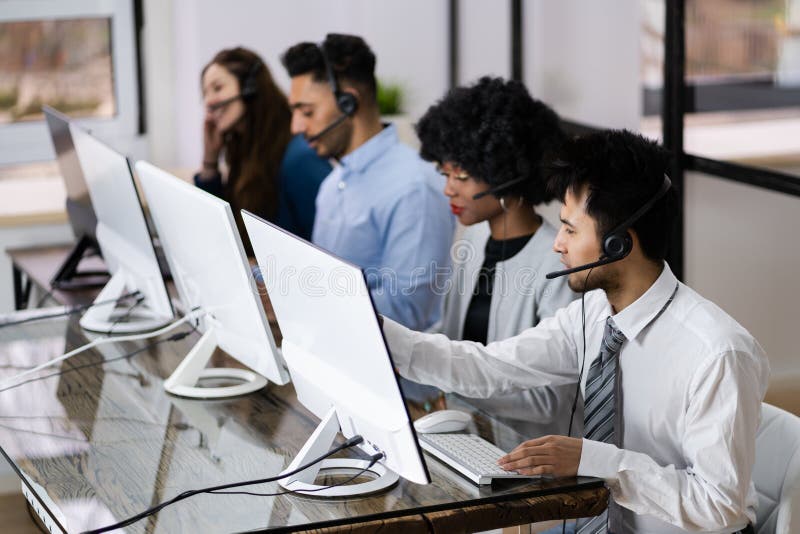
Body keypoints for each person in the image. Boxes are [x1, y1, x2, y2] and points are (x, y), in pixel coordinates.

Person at [381, 130, 769, 533]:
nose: (557, 244)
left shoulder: (717, 352)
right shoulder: (591, 315)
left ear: (619, 244)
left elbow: (721, 506)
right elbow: (488, 367)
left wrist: (594, 460)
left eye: (570, 229)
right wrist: (377, 335)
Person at [415, 76, 578, 436]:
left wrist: (451, 380)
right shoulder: (472, 238)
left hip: (526, 459)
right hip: (467, 436)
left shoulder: (558, 266)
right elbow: (452, 336)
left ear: (505, 174)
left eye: (462, 175)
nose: (448, 189)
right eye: (446, 172)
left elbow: (549, 402)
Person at [281, 34, 454, 331]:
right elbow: (324, 280)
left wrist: (305, 302)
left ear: (349, 102)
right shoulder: (333, 184)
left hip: (392, 373)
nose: (296, 126)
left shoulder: (414, 188)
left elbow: (407, 311)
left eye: (307, 111)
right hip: (333, 353)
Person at [196, 47, 331, 251]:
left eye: (217, 88)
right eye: (205, 93)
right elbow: (219, 230)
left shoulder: (300, 158)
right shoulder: (245, 152)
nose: (208, 101)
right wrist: (210, 161)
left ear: (250, 88)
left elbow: (328, 249)